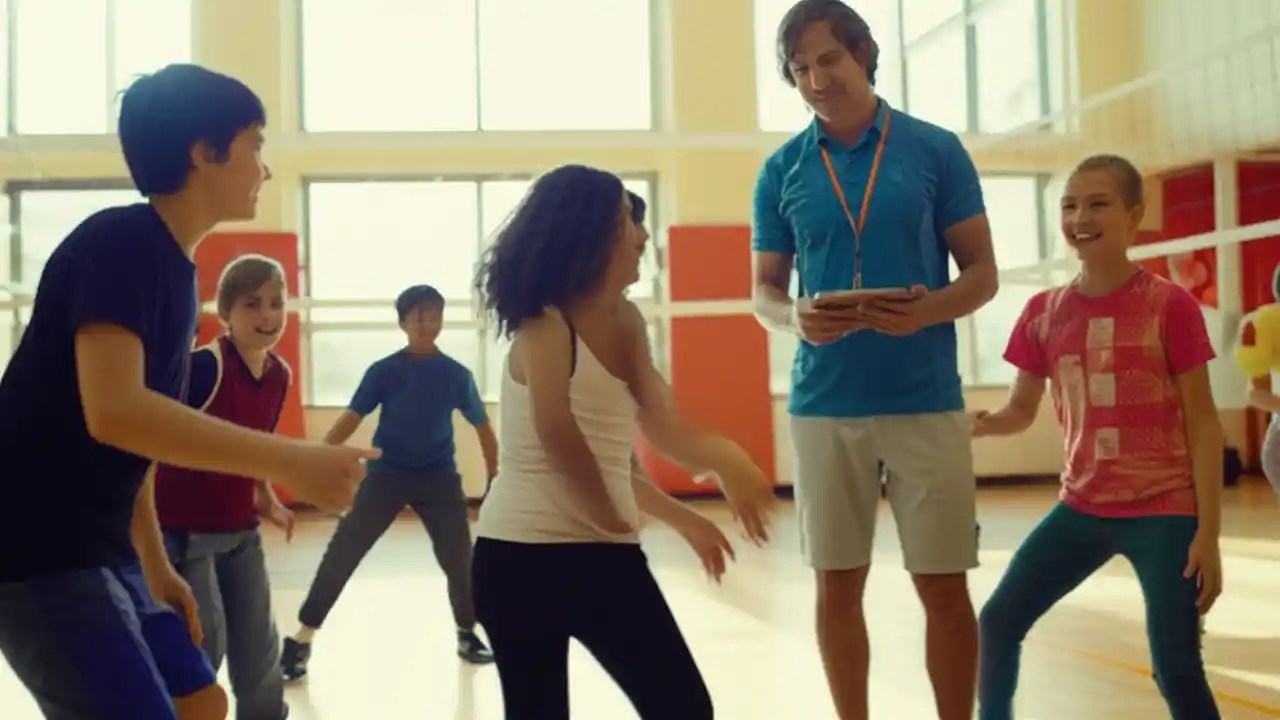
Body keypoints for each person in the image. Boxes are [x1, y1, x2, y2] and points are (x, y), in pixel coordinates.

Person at [0, 63, 374, 720]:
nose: (265, 168)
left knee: (201, 701)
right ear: (204, 152)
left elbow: (138, 440)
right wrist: (291, 460)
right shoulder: (121, 244)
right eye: (255, 145)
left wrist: (152, 559)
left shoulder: (174, 271)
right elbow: (116, 412)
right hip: (42, 550)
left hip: (107, 545)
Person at [750, 2, 997, 719]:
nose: (816, 80)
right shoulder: (780, 170)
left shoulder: (935, 149)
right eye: (800, 69)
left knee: (943, 588)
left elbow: (981, 273)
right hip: (825, 406)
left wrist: (926, 311)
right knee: (836, 587)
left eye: (829, 59)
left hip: (926, 398)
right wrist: (792, 316)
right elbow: (764, 293)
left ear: (862, 54)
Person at [470, 167, 774, 719]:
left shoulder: (627, 322)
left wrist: (721, 469)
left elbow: (661, 429)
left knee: (682, 708)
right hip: (519, 559)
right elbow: (556, 431)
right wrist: (605, 514)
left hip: (602, 553)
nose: (642, 234)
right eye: (628, 221)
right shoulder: (545, 325)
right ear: (589, 235)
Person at [972, 154, 1223, 720]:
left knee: (1177, 668)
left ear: (1134, 215)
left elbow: (1205, 422)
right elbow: (1019, 411)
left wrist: (1207, 534)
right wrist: (973, 425)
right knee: (998, 622)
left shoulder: (1171, 305)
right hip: (1081, 507)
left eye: (1098, 204)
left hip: (1165, 511)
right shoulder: (1043, 312)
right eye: (1069, 205)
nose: (1080, 217)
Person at [280, 285, 501, 680]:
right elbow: (351, 417)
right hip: (387, 475)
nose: (428, 323)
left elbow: (483, 428)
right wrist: (316, 457)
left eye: (435, 315)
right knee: (344, 550)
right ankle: (302, 637)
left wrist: (495, 479)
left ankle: (467, 633)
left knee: (459, 559)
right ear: (403, 322)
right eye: (419, 315)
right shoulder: (384, 371)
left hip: (438, 477)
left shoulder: (456, 375)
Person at [151, 254, 297, 720]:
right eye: (252, 304)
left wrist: (265, 496)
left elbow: (256, 445)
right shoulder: (202, 367)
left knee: (260, 653)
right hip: (185, 534)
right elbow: (151, 441)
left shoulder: (279, 375)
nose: (267, 315)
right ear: (225, 312)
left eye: (276, 303)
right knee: (204, 643)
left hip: (240, 532)